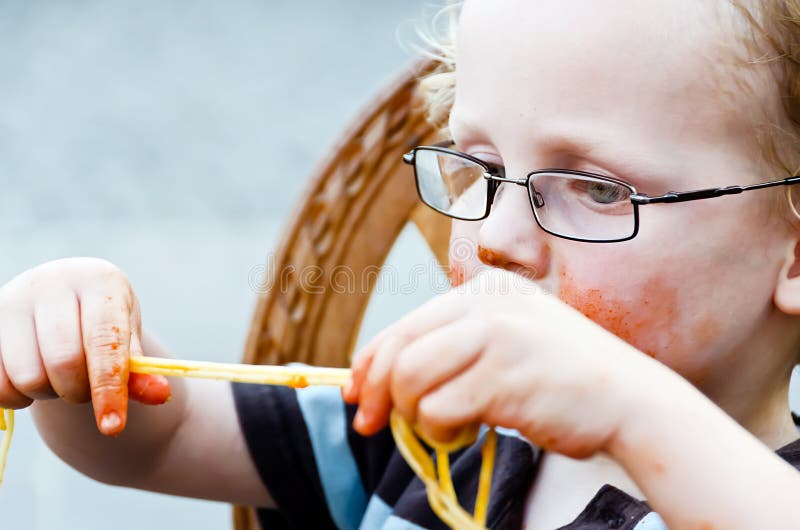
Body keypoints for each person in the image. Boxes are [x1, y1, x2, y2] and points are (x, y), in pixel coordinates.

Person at [2, 0, 800, 528]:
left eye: (594, 187)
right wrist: (81, 354)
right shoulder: (431, 436)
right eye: (480, 170)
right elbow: (156, 442)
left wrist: (634, 413)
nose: (498, 236)